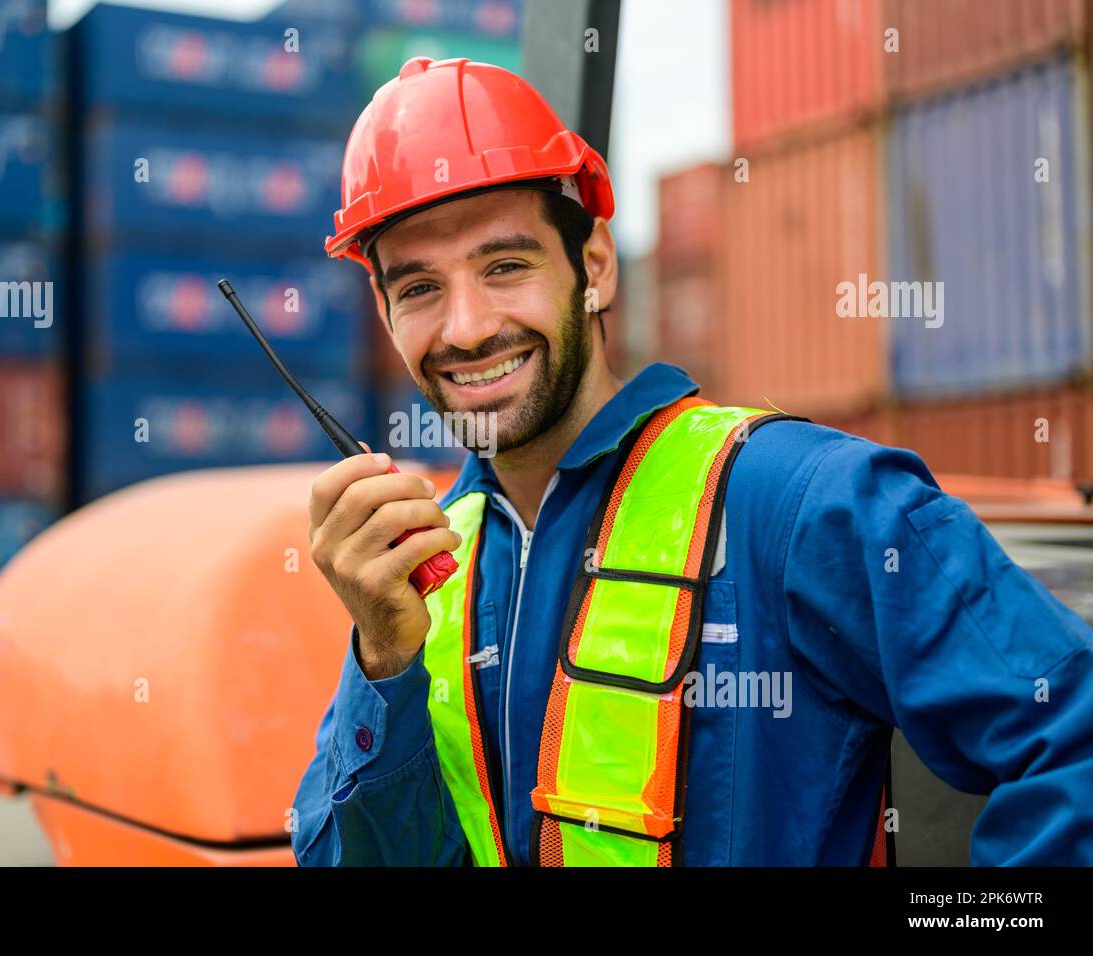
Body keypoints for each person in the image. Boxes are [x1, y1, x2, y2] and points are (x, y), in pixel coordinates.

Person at [291, 57, 1093, 866]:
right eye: (420, 288)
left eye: (505, 266)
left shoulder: (799, 502)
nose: (464, 328)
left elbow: (1074, 735)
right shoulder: (430, 572)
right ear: (387, 315)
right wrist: (386, 658)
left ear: (594, 268)